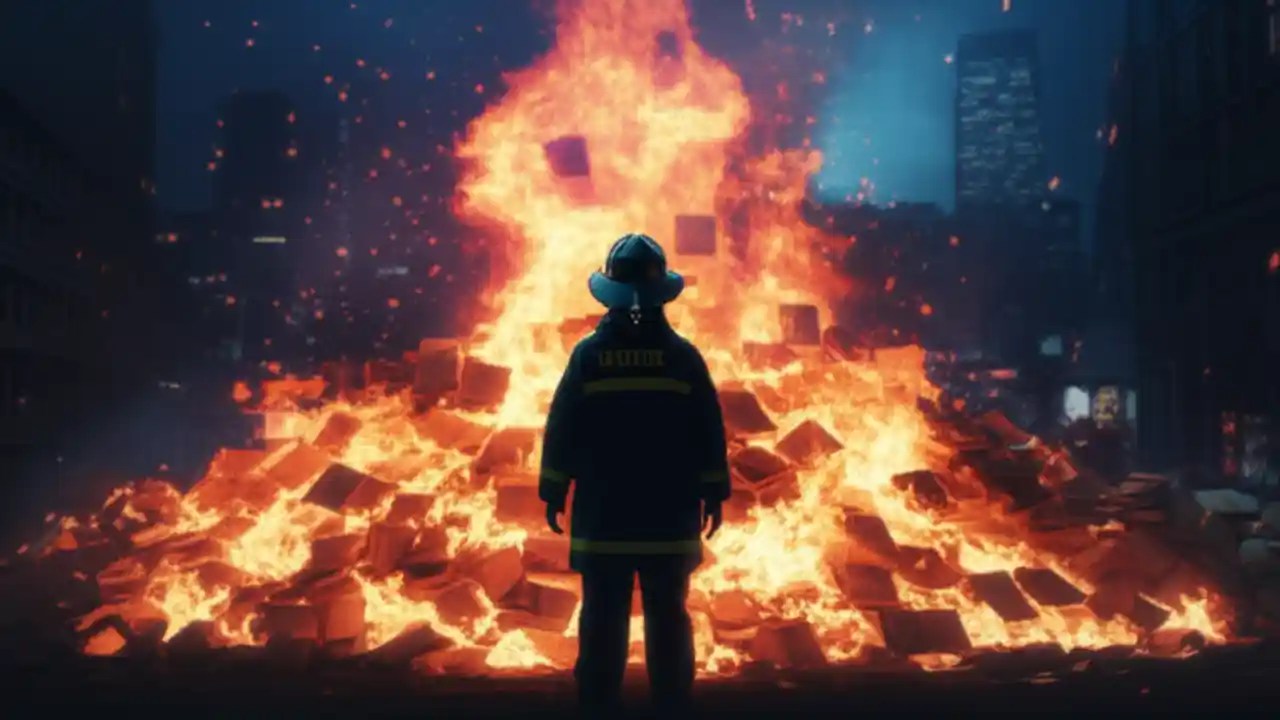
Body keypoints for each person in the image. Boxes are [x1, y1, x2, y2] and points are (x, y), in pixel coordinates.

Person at [538, 232, 730, 718]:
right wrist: (714, 491)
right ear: (662, 295)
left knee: (603, 620)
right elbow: (708, 429)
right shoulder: (683, 358)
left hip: (605, 521)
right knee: (668, 619)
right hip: (669, 520)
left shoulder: (589, 357)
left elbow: (563, 426)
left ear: (611, 296)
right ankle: (672, 704)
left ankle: (599, 704)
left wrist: (553, 488)